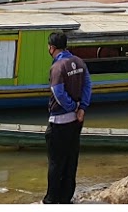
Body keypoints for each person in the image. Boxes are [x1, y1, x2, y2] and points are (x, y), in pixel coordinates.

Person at [43, 28, 91, 204]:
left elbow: (58, 93)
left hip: (59, 121)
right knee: (71, 160)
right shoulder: (79, 62)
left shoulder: (57, 67)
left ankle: (51, 200)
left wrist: (72, 107)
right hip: (76, 121)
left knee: (56, 162)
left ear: (52, 47)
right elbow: (88, 85)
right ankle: (66, 198)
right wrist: (81, 108)